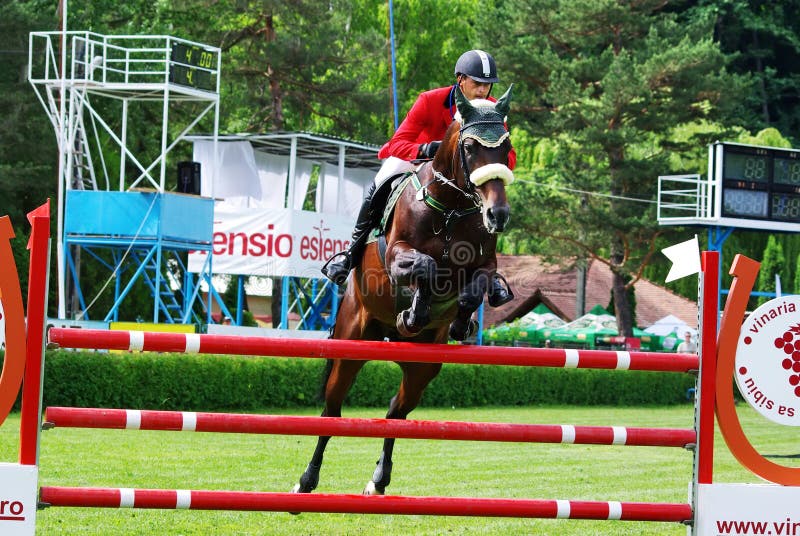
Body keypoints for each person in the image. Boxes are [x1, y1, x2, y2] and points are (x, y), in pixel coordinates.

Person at [322, 49, 516, 306]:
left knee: (491, 198)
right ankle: (349, 255)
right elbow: (397, 143)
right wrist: (425, 149)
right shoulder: (430, 100)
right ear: (460, 80)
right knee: (380, 182)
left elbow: (509, 154)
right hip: (416, 160)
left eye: (488, 86)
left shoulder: (491, 111)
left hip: (461, 173)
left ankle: (488, 275)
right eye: (477, 84)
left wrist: (493, 166)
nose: (483, 92)